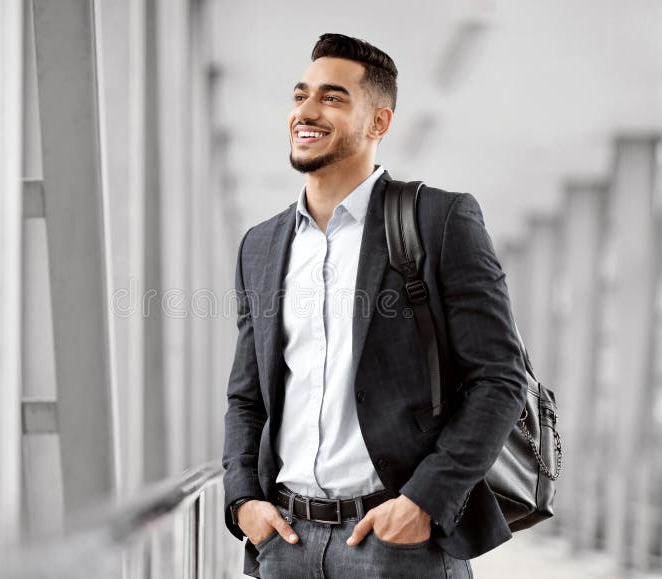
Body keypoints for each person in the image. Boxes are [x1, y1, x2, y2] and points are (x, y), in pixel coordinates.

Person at [221, 32, 527, 579]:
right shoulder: (260, 245)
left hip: (396, 542)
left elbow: (499, 379)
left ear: (379, 122)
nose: (306, 112)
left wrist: (425, 502)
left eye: (332, 98)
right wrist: (243, 500)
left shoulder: (440, 221)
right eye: (300, 96)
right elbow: (248, 397)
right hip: (284, 541)